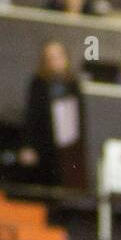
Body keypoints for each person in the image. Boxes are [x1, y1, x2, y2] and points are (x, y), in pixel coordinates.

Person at [18, 41, 83, 187]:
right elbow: (31, 116)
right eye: (50, 58)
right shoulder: (38, 84)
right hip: (44, 145)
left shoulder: (74, 85)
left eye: (57, 57)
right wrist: (29, 146)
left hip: (69, 148)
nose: (54, 62)